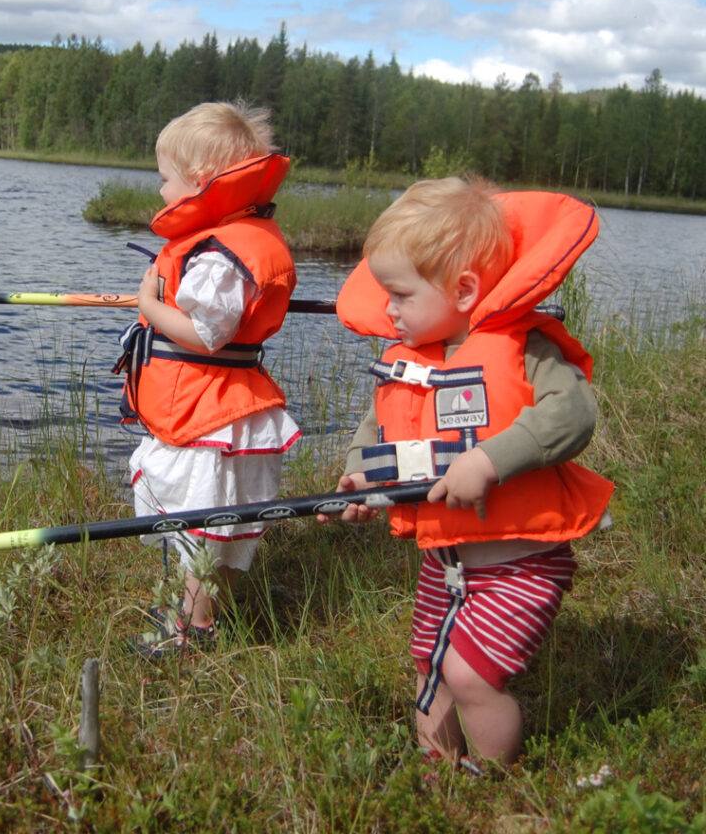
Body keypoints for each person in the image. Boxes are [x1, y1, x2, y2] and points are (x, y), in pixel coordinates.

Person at [319, 176, 614, 769]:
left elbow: (575, 413)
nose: (389, 310)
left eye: (400, 295)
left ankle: (490, 780)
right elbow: (378, 430)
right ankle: (438, 769)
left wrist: (489, 459)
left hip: (521, 564)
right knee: (430, 665)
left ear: (463, 288)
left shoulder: (522, 346)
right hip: (447, 564)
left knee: (471, 674)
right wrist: (358, 479)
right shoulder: (409, 363)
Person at [114, 100, 301, 659]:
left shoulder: (225, 256)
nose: (162, 192)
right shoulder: (224, 239)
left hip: (216, 419)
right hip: (208, 412)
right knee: (202, 530)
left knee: (204, 530)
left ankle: (192, 633)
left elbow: (205, 332)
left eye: (165, 180)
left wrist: (148, 300)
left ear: (198, 181)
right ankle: (196, 614)